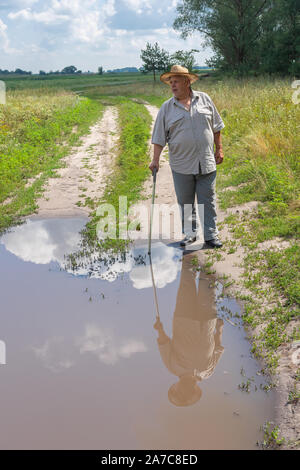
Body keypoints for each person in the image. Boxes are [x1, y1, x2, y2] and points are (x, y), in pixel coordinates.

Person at [149, 65, 225, 248]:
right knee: (186, 202)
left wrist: (219, 148)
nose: (172, 85)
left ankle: (211, 236)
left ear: (187, 81)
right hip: (181, 164)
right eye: (170, 82)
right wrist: (155, 160)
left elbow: (216, 127)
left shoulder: (204, 99)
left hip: (206, 161)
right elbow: (159, 137)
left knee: (209, 200)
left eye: (176, 81)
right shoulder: (167, 108)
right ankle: (190, 235)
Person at [153, 253, 224, 407]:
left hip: (183, 319)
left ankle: (190, 249)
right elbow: (217, 349)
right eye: (188, 393)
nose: (184, 390)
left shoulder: (172, 368)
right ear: (195, 391)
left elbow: (164, 344)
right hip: (207, 322)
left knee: (187, 282)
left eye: (180, 392)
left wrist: (160, 329)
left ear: (176, 388)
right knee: (208, 285)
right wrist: (219, 330)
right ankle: (209, 250)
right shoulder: (207, 373)